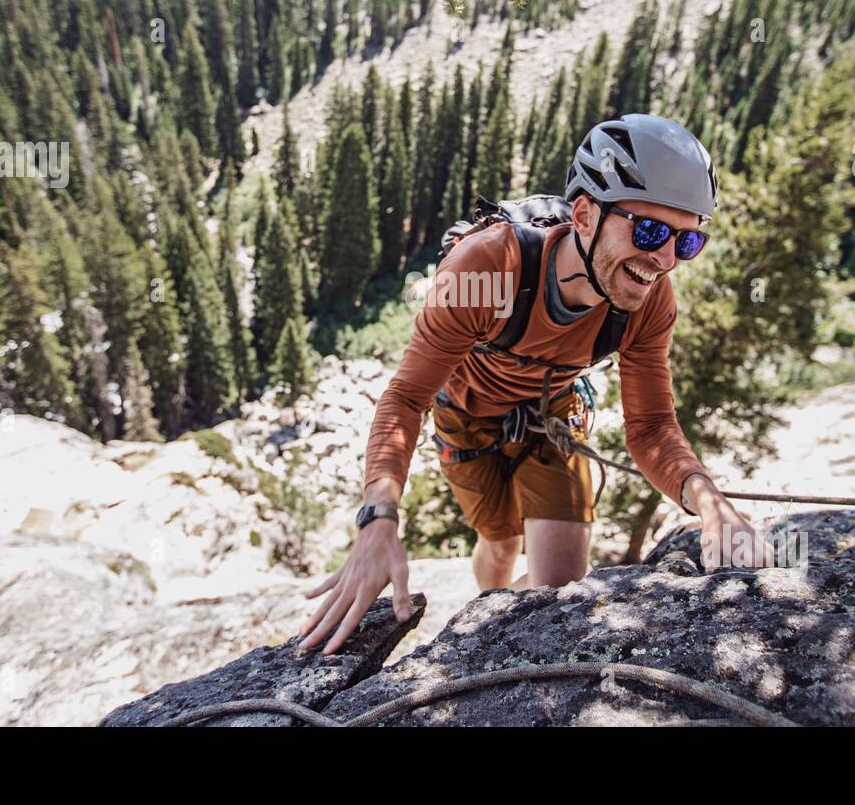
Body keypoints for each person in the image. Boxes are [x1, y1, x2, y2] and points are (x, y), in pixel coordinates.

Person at [298, 114, 773, 656]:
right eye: (648, 231)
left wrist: (707, 500)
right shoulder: (488, 268)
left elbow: (651, 425)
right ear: (585, 214)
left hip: (553, 415)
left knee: (560, 590)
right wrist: (378, 516)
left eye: (687, 242)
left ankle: (494, 632)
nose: (663, 260)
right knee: (499, 548)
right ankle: (489, 611)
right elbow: (406, 398)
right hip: (466, 418)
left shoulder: (649, 301)